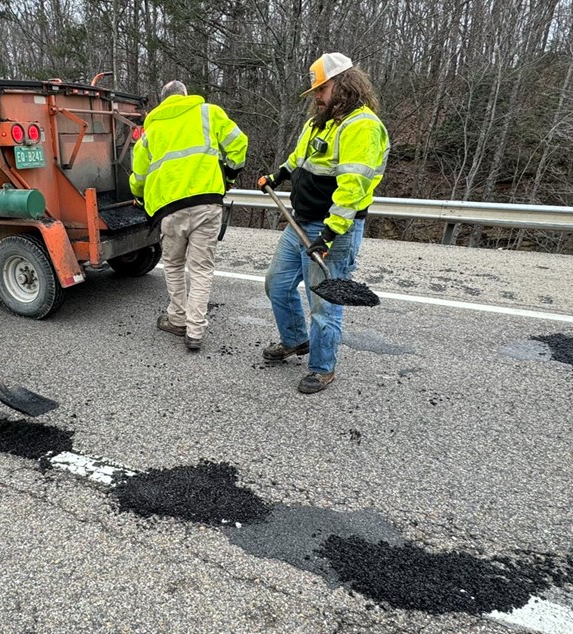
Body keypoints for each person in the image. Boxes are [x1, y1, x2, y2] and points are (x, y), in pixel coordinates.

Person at [256, 53, 390, 394]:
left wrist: (329, 233)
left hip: (332, 229)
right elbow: (301, 157)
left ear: (344, 85)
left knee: (324, 303)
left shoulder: (362, 126)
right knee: (277, 284)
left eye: (322, 88)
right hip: (299, 222)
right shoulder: (321, 121)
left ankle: (322, 368)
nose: (317, 96)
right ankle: (295, 340)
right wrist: (278, 175)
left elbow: (352, 188)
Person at [130, 80, 248, 351]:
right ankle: (195, 331)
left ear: (163, 101)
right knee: (201, 268)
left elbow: (138, 177)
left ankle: (177, 320)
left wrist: (140, 196)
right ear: (185, 95)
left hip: (169, 209)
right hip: (207, 203)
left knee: (173, 265)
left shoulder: (151, 131)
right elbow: (239, 144)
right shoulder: (209, 113)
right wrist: (229, 176)